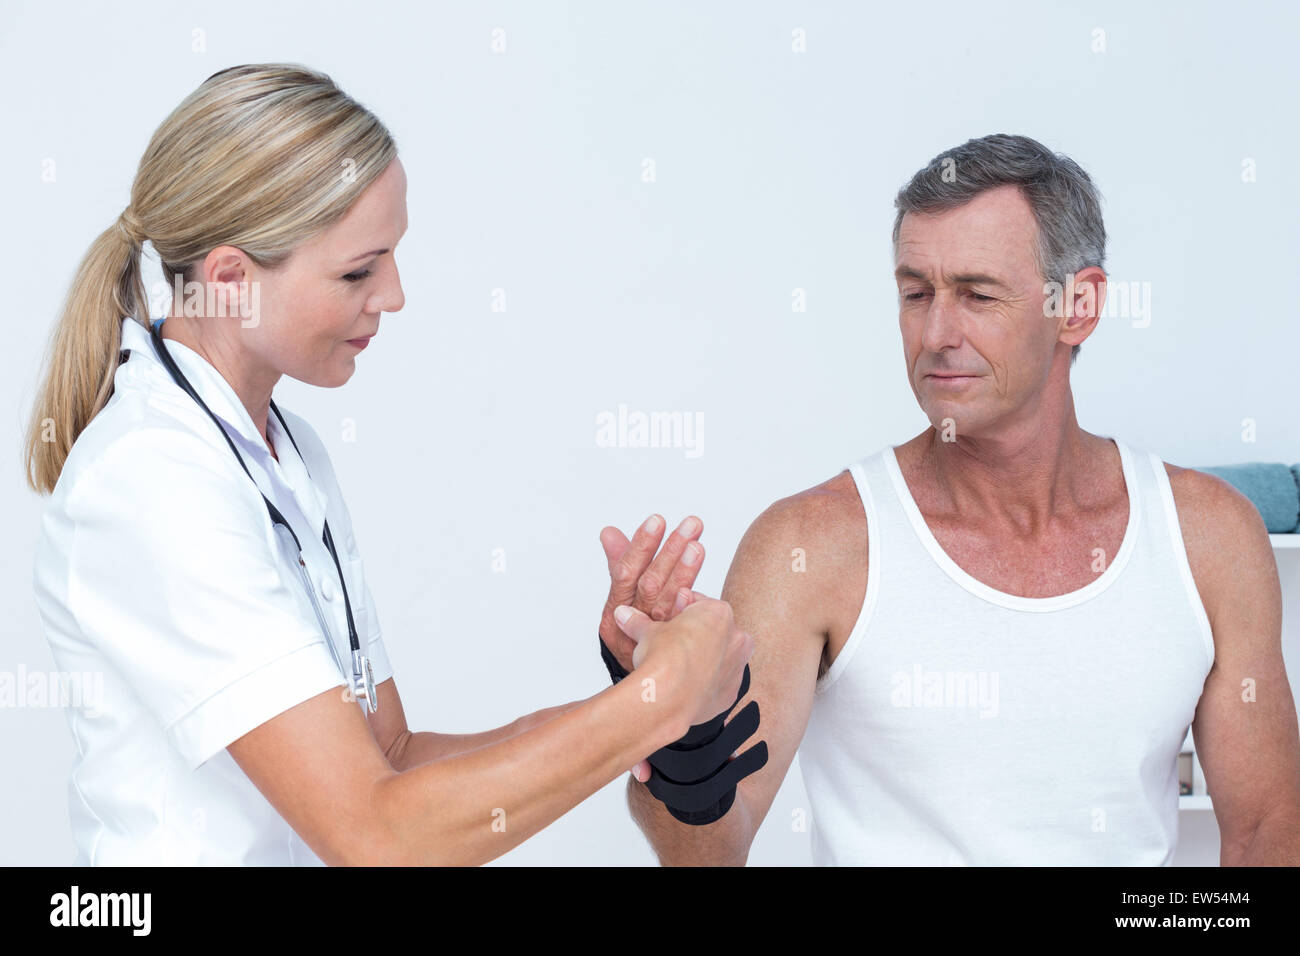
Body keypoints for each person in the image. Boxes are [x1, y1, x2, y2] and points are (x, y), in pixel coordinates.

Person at [25, 62, 754, 866]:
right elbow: (375, 837)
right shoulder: (153, 479)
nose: (396, 295)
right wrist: (655, 703)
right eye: (358, 270)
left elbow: (393, 758)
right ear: (231, 282)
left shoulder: (285, 449)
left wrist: (637, 701)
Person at [627, 133, 1300, 865]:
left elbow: (1269, 832)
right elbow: (706, 852)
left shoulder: (1210, 537)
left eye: (977, 295)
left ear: (1079, 306)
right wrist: (678, 731)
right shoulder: (812, 547)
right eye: (916, 293)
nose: (937, 334)